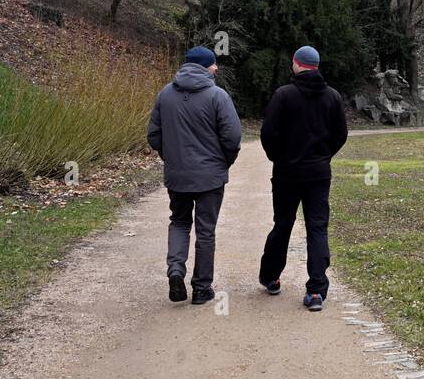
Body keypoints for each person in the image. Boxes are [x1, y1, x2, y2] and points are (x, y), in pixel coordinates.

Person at [147, 46, 242, 305]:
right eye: (213, 64)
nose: (217, 68)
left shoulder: (165, 94)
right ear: (204, 67)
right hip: (210, 177)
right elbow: (232, 138)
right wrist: (224, 162)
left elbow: (153, 136)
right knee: (205, 231)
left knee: (179, 222)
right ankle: (201, 288)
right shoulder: (218, 96)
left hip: (177, 176)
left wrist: (171, 158)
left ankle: (175, 270)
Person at [258, 45, 348, 310]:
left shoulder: (284, 95)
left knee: (282, 224)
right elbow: (340, 134)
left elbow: (268, 133)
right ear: (317, 66)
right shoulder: (332, 97)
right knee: (317, 227)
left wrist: (279, 157)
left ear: (296, 64)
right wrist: (324, 156)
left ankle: (271, 276)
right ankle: (316, 290)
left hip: (287, 173)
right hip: (318, 174)